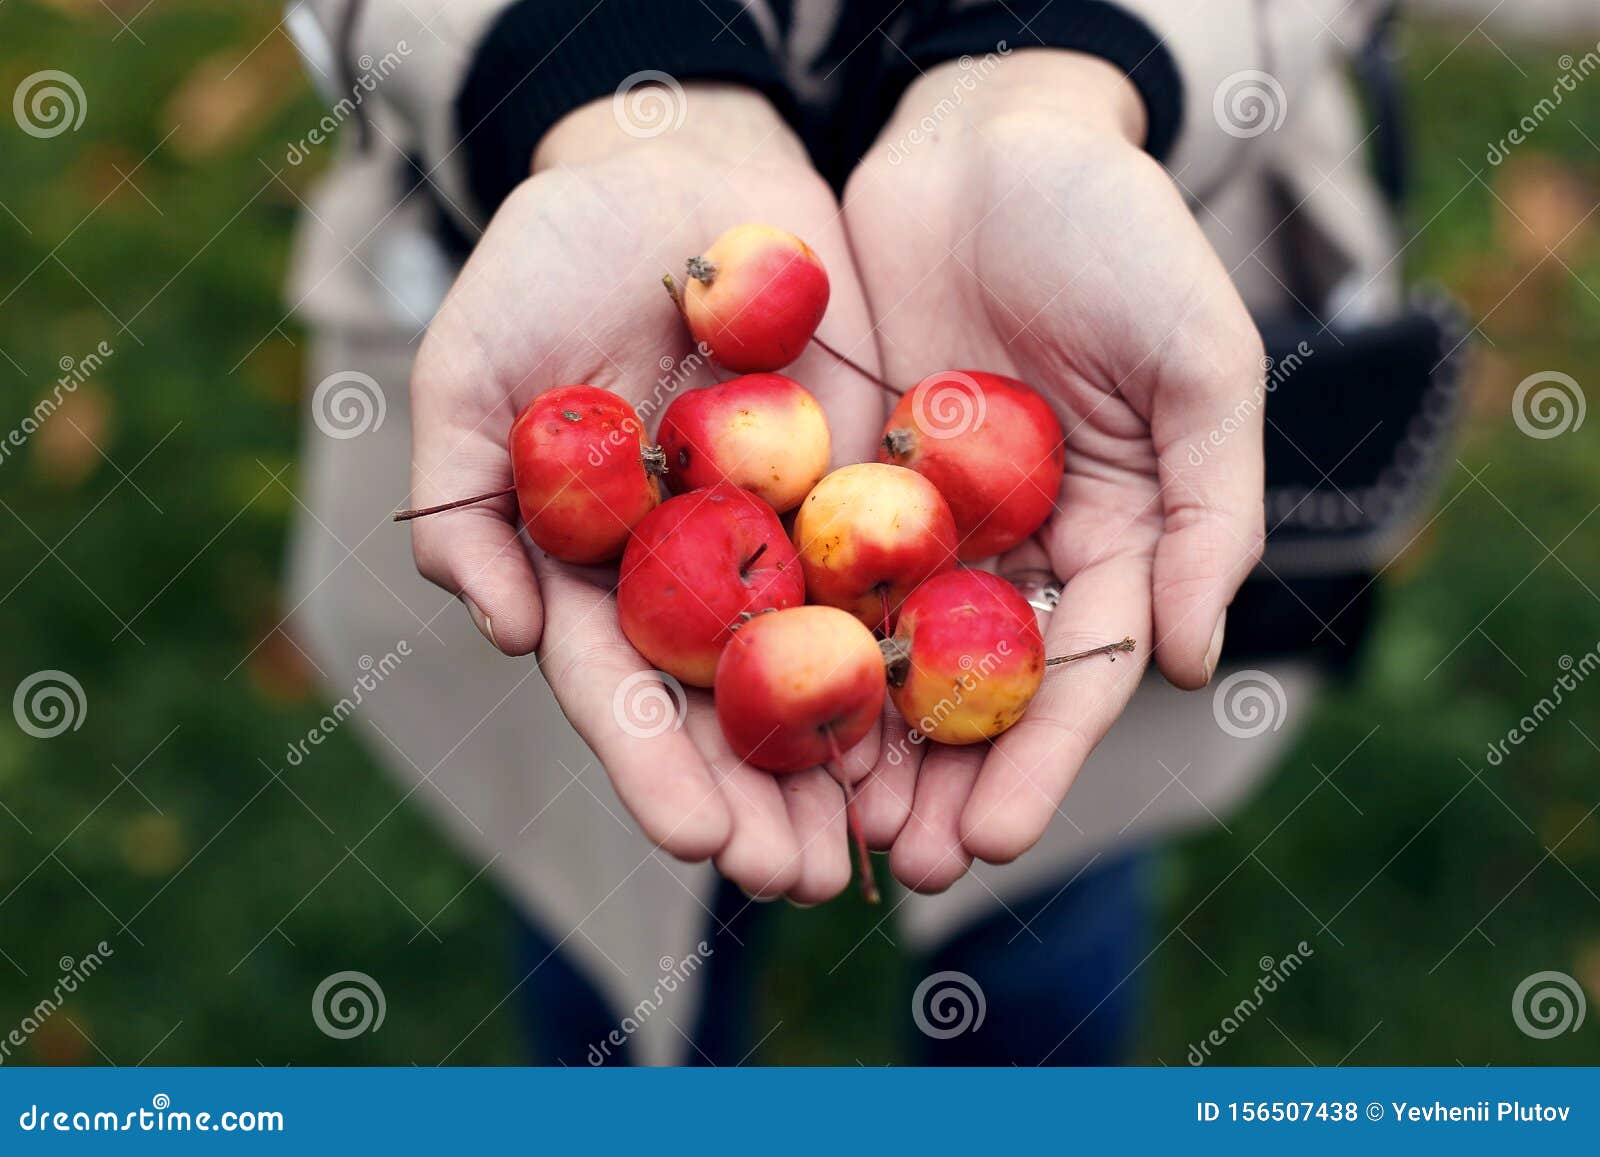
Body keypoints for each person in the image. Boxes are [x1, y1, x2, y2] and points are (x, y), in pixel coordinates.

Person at [283, 0, 1433, 1065]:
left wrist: (1068, 54)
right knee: (604, 921)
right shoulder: (708, 434)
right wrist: (588, 63)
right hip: (554, 277)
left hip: (1116, 286)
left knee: (1047, 906)